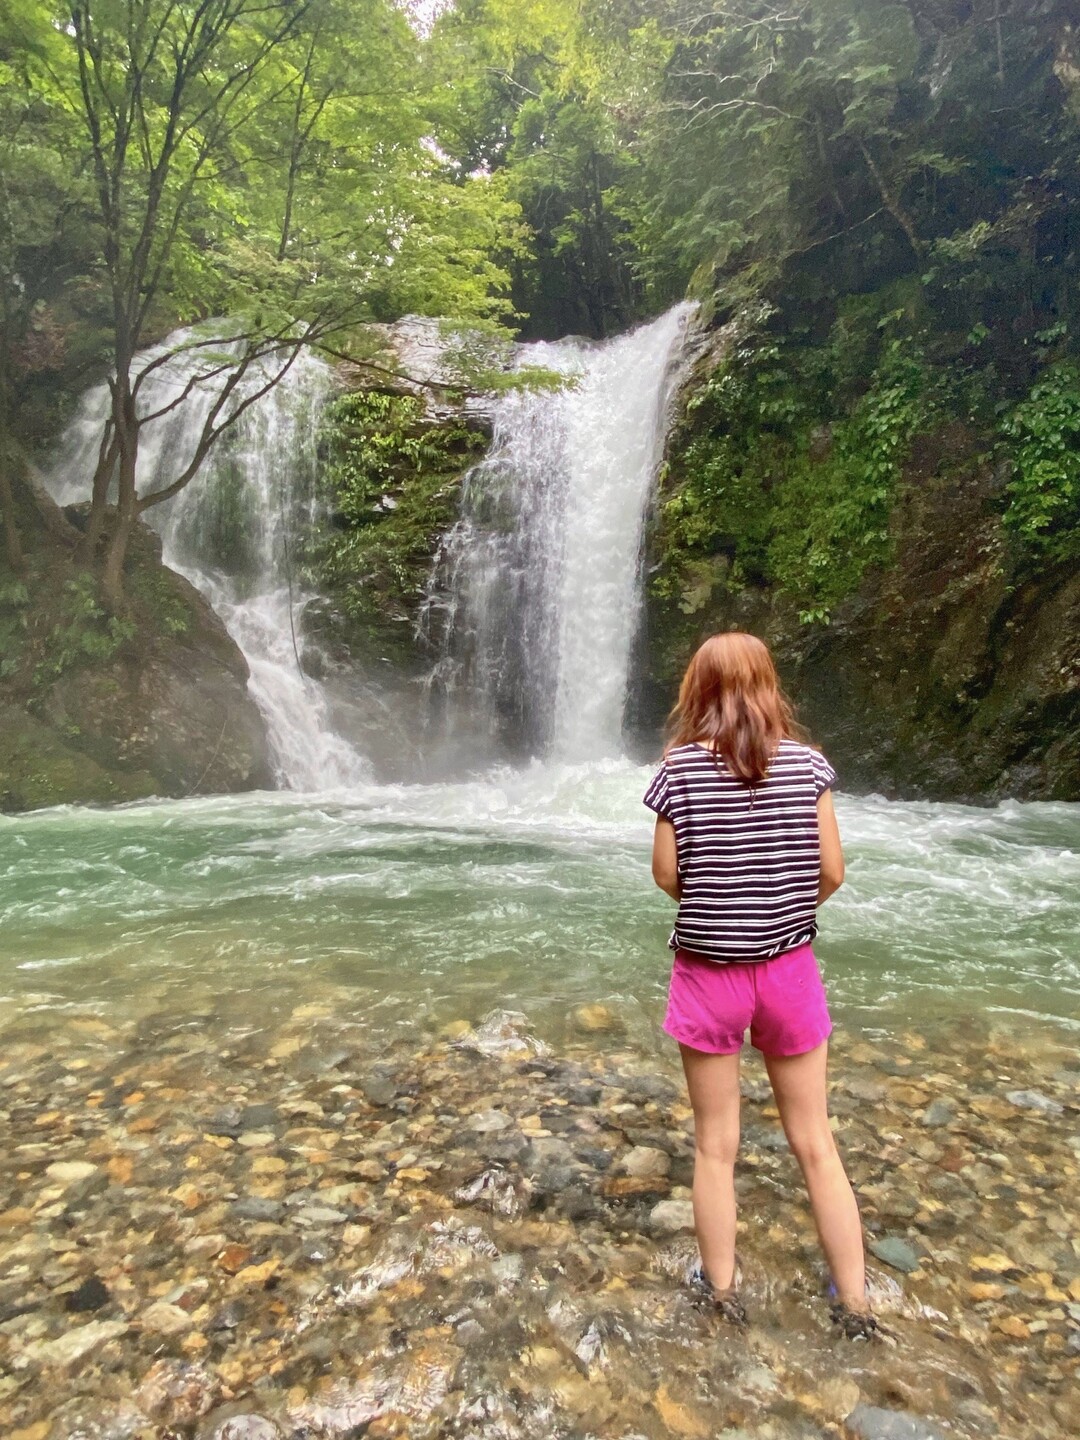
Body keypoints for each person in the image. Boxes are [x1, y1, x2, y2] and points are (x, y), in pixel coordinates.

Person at [643, 631, 876, 1339]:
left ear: (698, 691)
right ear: (770, 687)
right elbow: (831, 871)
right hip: (788, 972)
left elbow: (667, 876)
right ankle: (856, 1303)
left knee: (717, 1144)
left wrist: (724, 895)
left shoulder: (679, 770)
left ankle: (721, 1293)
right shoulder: (809, 766)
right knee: (815, 1142)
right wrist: (780, 909)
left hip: (710, 972)